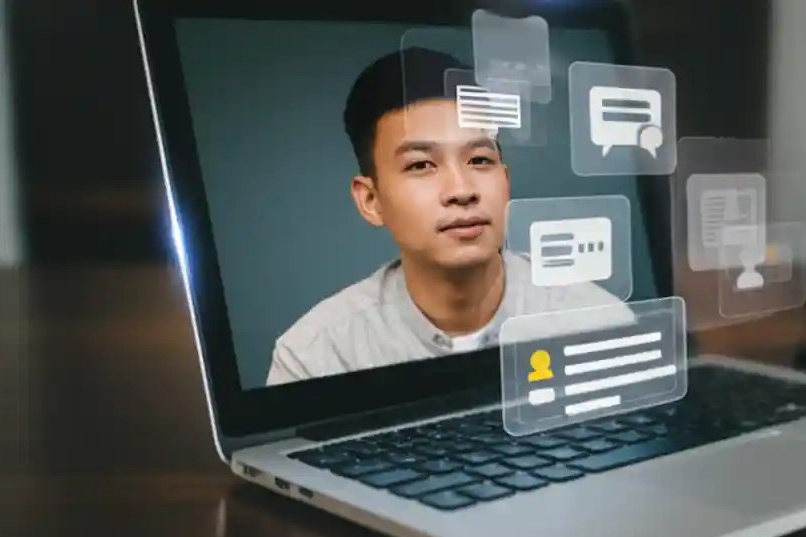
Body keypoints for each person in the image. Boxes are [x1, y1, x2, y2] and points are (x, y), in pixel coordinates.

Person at [267, 48, 622, 385]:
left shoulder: (597, 324)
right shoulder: (317, 358)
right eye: (421, 164)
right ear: (371, 200)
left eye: (480, 160)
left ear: (506, 181)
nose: (462, 189)